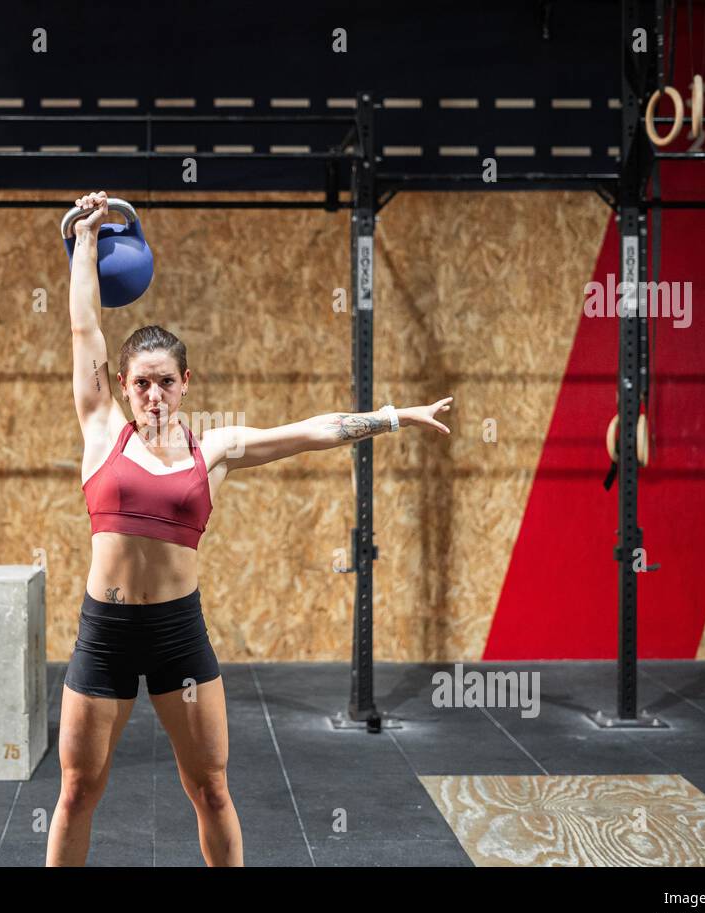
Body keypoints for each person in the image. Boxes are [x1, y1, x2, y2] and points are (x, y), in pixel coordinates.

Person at [46, 190, 453, 867]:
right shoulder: (101, 432)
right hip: (107, 633)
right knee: (77, 790)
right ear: (120, 385)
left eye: (165, 382)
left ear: (185, 385)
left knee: (209, 789)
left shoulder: (218, 448)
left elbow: (313, 432)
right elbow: (84, 328)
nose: (153, 395)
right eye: (141, 382)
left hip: (178, 634)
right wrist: (85, 241)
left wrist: (393, 416)